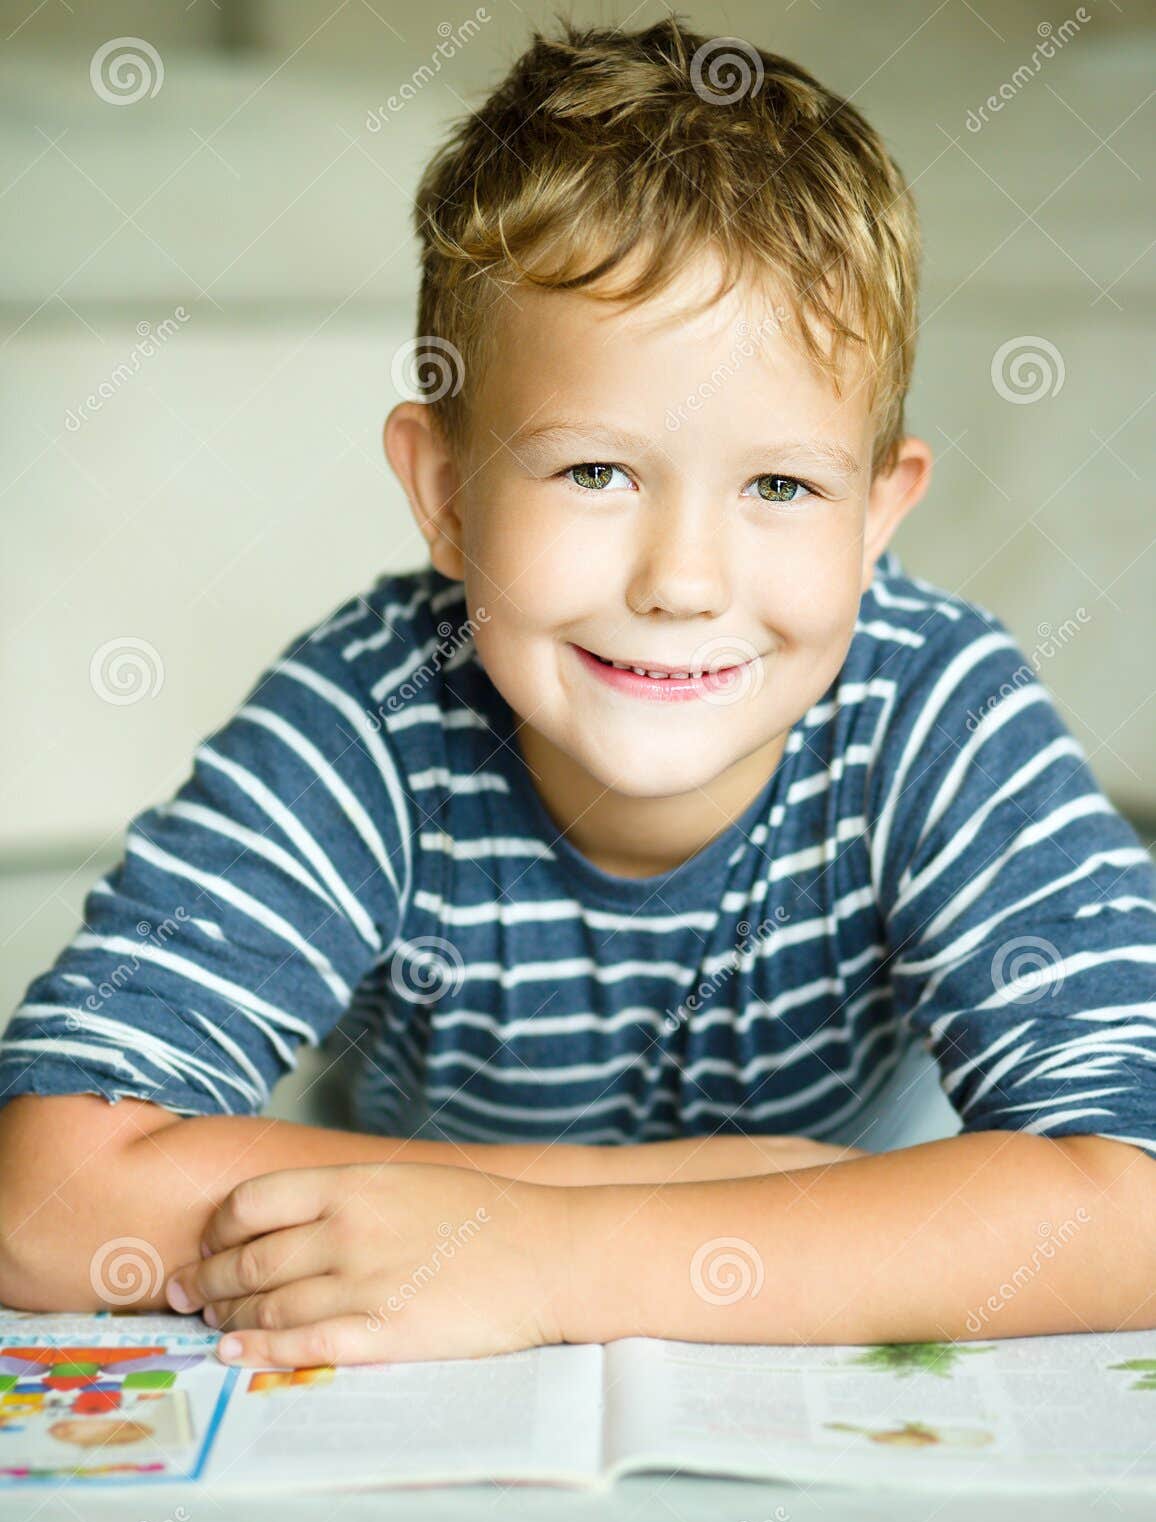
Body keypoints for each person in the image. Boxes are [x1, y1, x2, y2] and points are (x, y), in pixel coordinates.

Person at [1, 17, 1153, 1367]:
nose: (681, 580)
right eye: (596, 471)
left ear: (877, 515)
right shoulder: (378, 711)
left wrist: (546, 1256)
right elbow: (42, 1193)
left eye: (780, 485)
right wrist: (679, 1201)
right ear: (444, 492)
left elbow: (1132, 1191)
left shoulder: (938, 711)